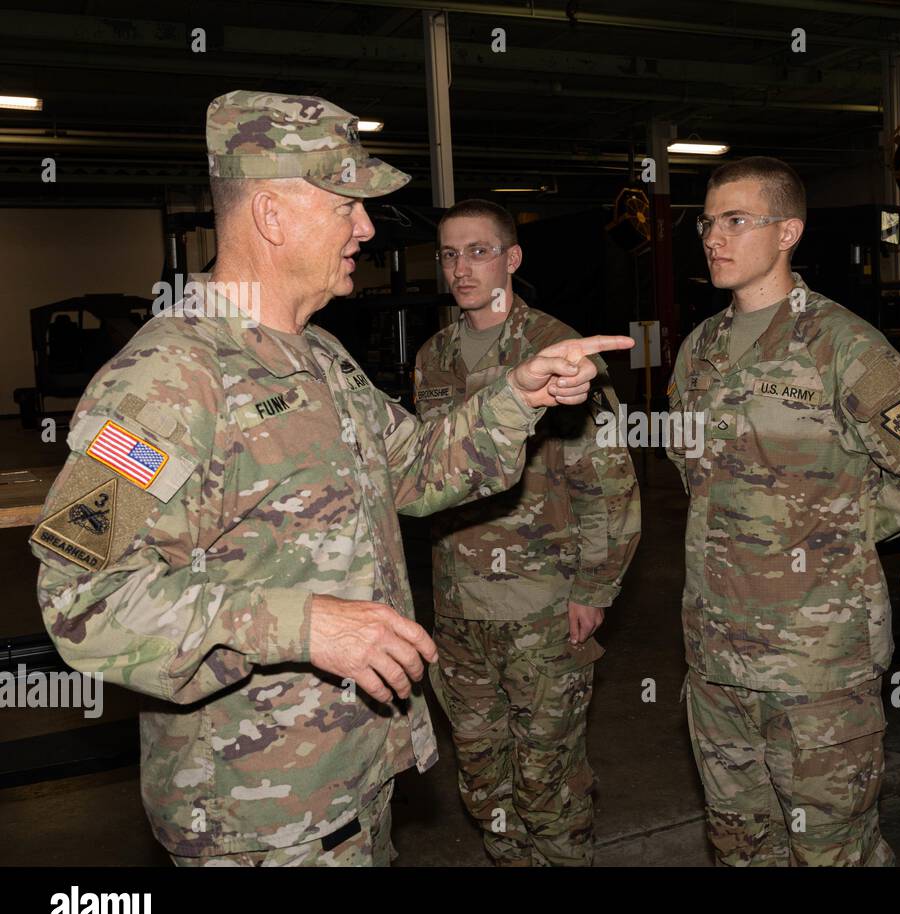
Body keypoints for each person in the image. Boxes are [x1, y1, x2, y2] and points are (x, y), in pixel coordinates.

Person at [28, 90, 631, 867]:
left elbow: (414, 468)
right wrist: (304, 624)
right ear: (272, 215)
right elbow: (82, 598)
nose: (367, 228)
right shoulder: (166, 378)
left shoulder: (319, 357)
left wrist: (517, 399)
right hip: (259, 824)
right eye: (346, 204)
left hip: (356, 785)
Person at [665, 157, 900, 866]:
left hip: (817, 663)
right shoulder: (699, 351)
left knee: (835, 850)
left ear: (788, 233)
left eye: (736, 221)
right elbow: (695, 476)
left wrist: (837, 525)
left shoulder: (844, 347)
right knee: (742, 845)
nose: (714, 237)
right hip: (715, 655)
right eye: (709, 223)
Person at [412, 199, 641, 866]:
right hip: (458, 610)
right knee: (486, 784)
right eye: (450, 254)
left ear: (512, 258)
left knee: (549, 786)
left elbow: (609, 483)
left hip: (541, 608)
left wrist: (595, 588)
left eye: (478, 251)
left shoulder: (556, 351)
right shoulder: (433, 358)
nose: (462, 267)